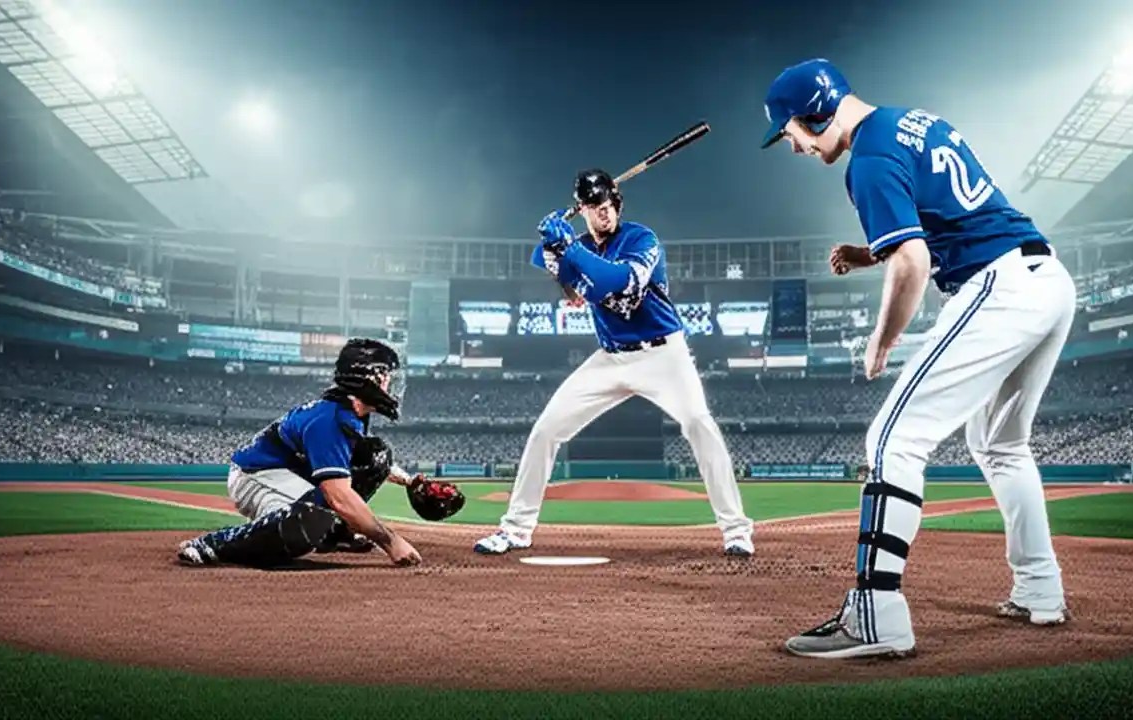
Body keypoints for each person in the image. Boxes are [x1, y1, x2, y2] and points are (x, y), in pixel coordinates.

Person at [760, 58, 1076, 658]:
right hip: (1049, 279)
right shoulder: (910, 122)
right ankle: (1041, 589)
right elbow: (948, 220)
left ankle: (876, 616)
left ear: (816, 112)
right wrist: (867, 252)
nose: (794, 146)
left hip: (999, 287)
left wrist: (881, 342)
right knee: (1001, 444)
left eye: (792, 131)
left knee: (892, 440)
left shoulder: (869, 159)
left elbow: (914, 262)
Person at [473, 169, 755, 557]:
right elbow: (547, 263)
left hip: (663, 355)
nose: (603, 214)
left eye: (606, 206)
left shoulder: (642, 239)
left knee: (698, 424)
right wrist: (552, 238)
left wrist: (568, 246)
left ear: (616, 204)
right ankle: (516, 529)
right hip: (610, 358)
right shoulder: (583, 245)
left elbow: (615, 282)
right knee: (545, 430)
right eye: (593, 208)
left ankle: (737, 531)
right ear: (584, 210)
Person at [176, 338, 426, 567]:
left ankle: (337, 534)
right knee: (307, 522)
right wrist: (390, 542)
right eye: (383, 374)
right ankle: (213, 544)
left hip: (288, 473)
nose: (389, 383)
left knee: (376, 456)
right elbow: (338, 496)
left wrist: (410, 481)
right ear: (365, 378)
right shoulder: (330, 420)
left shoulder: (349, 413)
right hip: (256, 476)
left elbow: (368, 462)